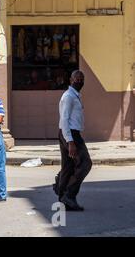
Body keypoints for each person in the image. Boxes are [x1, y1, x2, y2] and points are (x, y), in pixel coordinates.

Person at [53, 70, 92, 211]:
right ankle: (69, 194)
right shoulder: (68, 96)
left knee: (68, 166)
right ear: (71, 80)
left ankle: (63, 197)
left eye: (82, 79)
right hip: (70, 133)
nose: (80, 81)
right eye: (77, 79)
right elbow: (64, 119)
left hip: (68, 133)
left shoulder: (76, 96)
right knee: (85, 163)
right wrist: (70, 141)